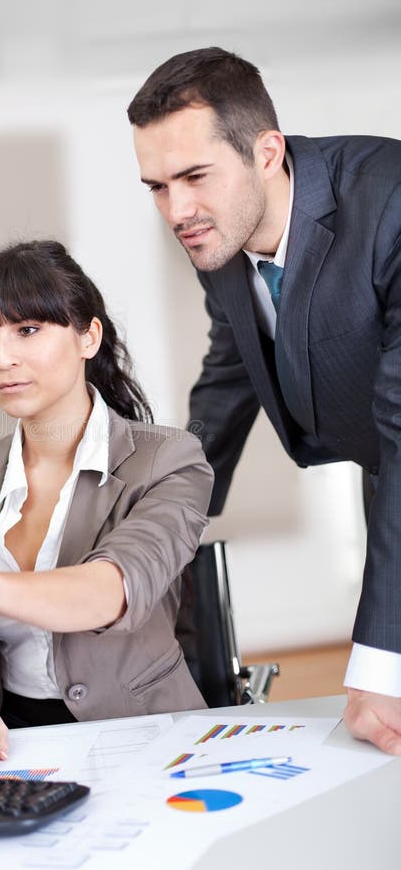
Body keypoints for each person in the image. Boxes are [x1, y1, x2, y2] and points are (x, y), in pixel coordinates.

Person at [127, 46, 401, 755]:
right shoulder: (221, 239)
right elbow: (229, 375)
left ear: (267, 151)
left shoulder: (391, 202)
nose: (177, 210)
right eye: (157, 186)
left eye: (193, 176)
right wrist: (162, 531)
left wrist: (380, 658)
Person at [0, 239, 213, 768]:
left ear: (89, 337)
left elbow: (112, 591)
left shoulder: (169, 459)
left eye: (28, 330)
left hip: (149, 740)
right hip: (11, 750)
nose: (3, 358)